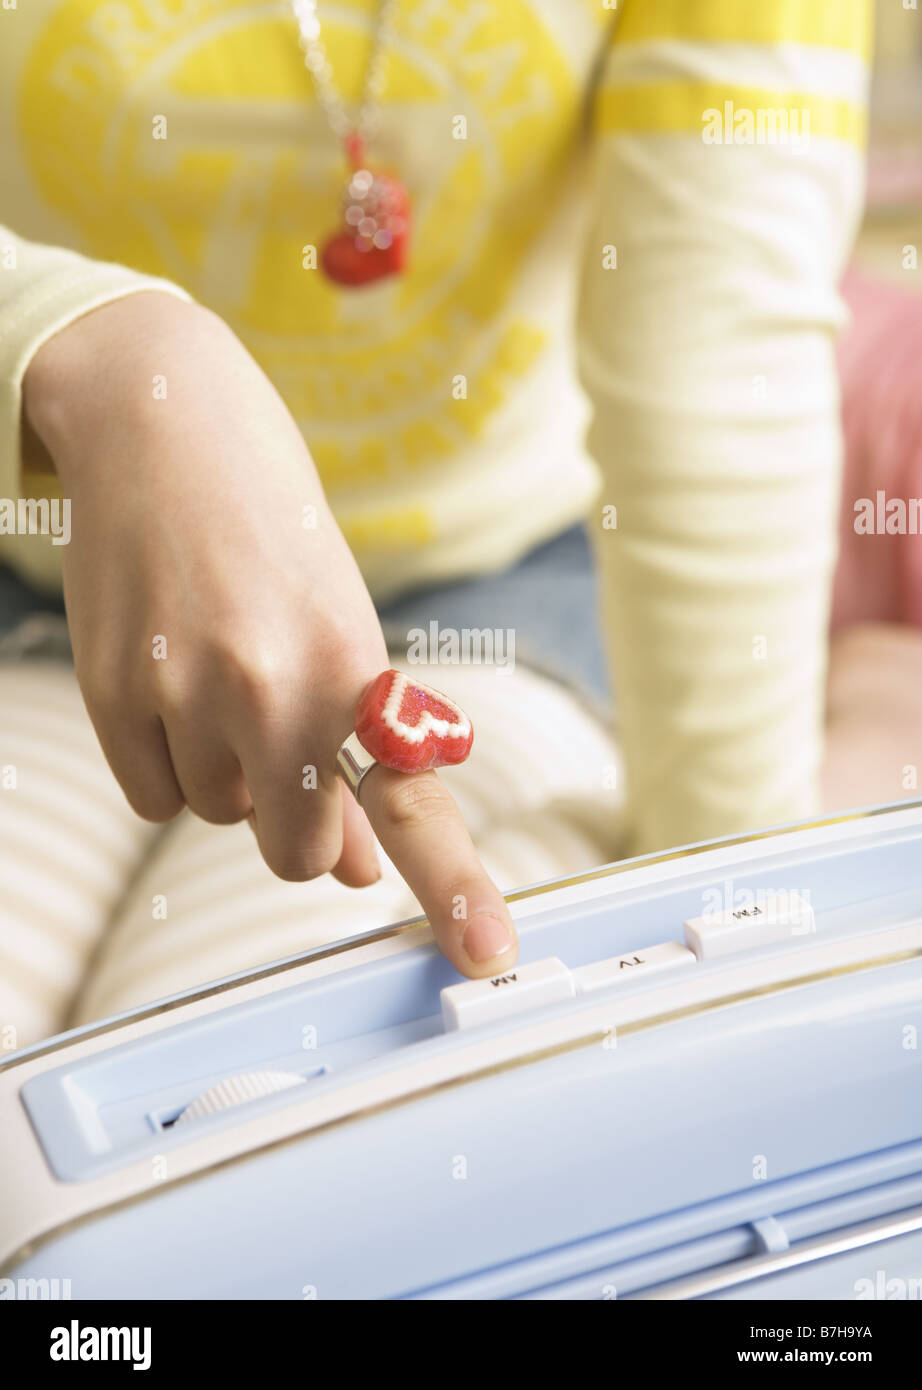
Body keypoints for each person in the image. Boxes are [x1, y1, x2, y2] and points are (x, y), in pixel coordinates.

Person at [0, 0, 914, 1047]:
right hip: (40, 585)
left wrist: (739, 883)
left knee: (267, 1062)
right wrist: (89, 352)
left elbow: (713, 332)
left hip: (495, 584)